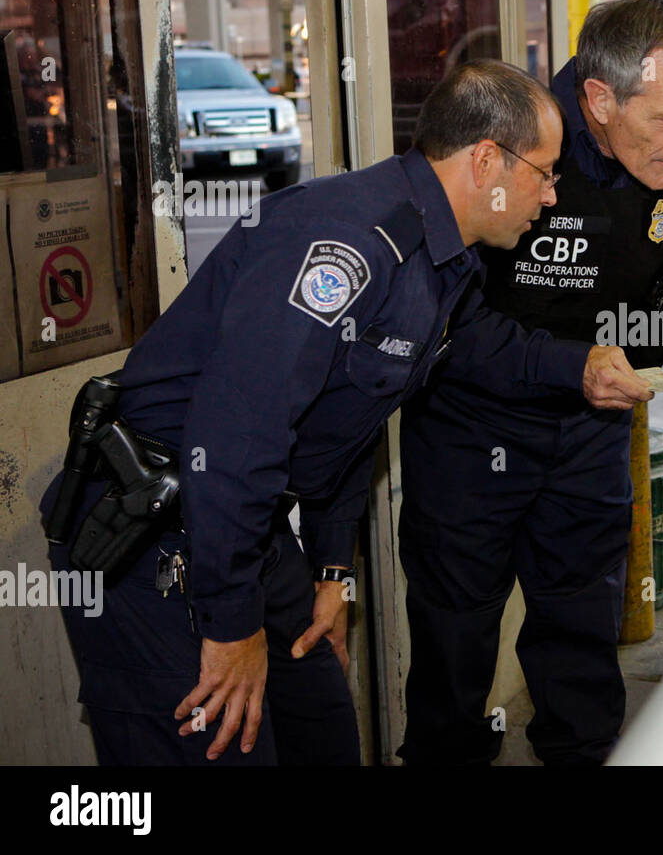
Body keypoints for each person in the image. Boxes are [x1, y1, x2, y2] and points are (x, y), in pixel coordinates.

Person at [38, 59, 590, 765]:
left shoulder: (443, 260)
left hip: (247, 529)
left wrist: (334, 570)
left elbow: (352, 414)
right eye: (545, 172)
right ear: (487, 160)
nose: (550, 196)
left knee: (324, 736)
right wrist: (231, 622)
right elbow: (238, 434)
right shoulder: (349, 244)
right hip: (155, 541)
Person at [397, 0, 663, 766]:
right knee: (455, 655)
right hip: (471, 437)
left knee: (583, 646)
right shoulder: (507, 147)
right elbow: (446, 324)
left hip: (591, 436)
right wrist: (571, 365)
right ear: (598, 98)